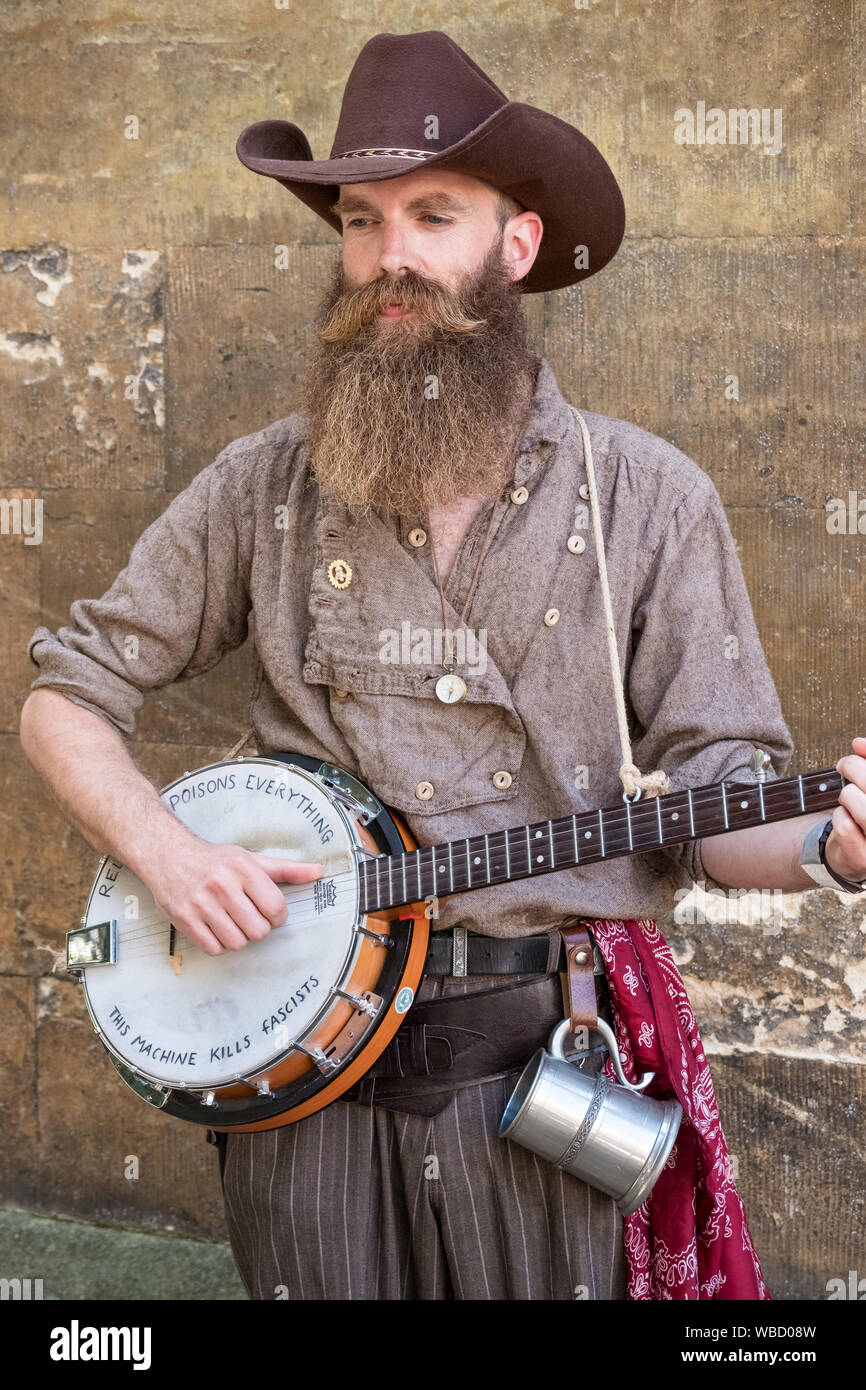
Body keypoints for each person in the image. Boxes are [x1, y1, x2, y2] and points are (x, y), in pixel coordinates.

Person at [19, 30, 866, 1301]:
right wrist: (168, 855)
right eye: (359, 223)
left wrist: (826, 845)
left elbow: (718, 806)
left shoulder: (644, 496)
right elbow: (62, 695)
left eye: (431, 214)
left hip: (539, 1059)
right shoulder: (265, 485)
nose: (389, 258)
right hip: (296, 1062)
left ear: (513, 246)